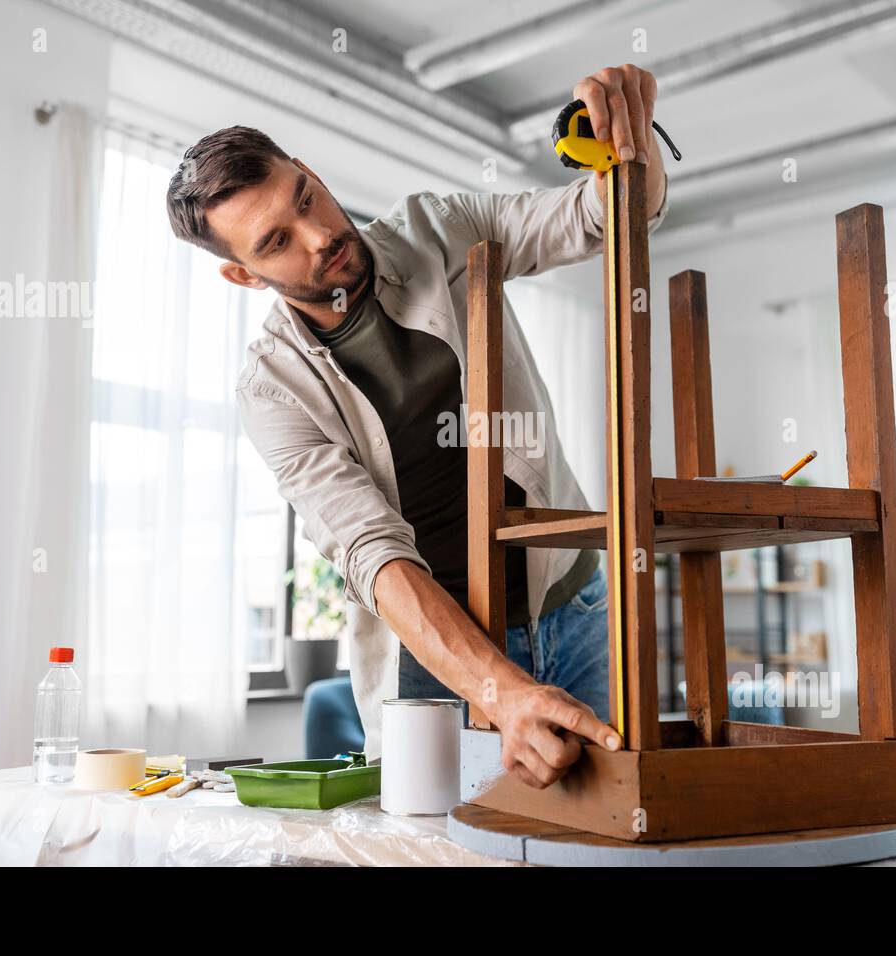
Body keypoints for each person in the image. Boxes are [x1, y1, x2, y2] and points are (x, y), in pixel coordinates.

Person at [166, 64, 669, 789]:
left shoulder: (440, 229)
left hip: (576, 605)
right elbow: (373, 553)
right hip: (438, 660)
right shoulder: (272, 390)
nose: (318, 237)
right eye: (276, 241)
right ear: (244, 276)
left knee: (612, 838)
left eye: (307, 199)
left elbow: (601, 217)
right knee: (443, 850)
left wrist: (632, 153)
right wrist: (498, 690)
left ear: (308, 171)